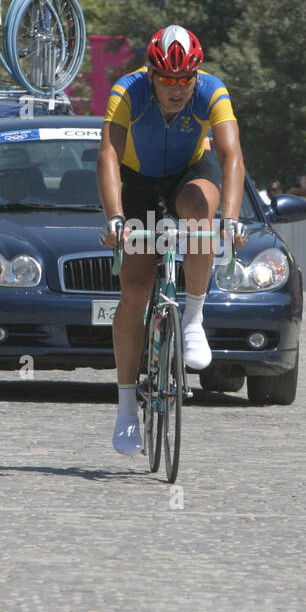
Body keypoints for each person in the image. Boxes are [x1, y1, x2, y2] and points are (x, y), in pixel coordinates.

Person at [96, 25, 247, 455]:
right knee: (135, 292)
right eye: (168, 79)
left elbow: (231, 155)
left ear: (197, 76)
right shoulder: (127, 92)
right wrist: (116, 218)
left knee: (202, 215)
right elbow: (108, 153)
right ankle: (126, 408)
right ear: (151, 75)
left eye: (185, 80)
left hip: (189, 175)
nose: (177, 89)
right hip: (138, 183)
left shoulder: (212, 92)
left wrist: (232, 220)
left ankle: (193, 319)